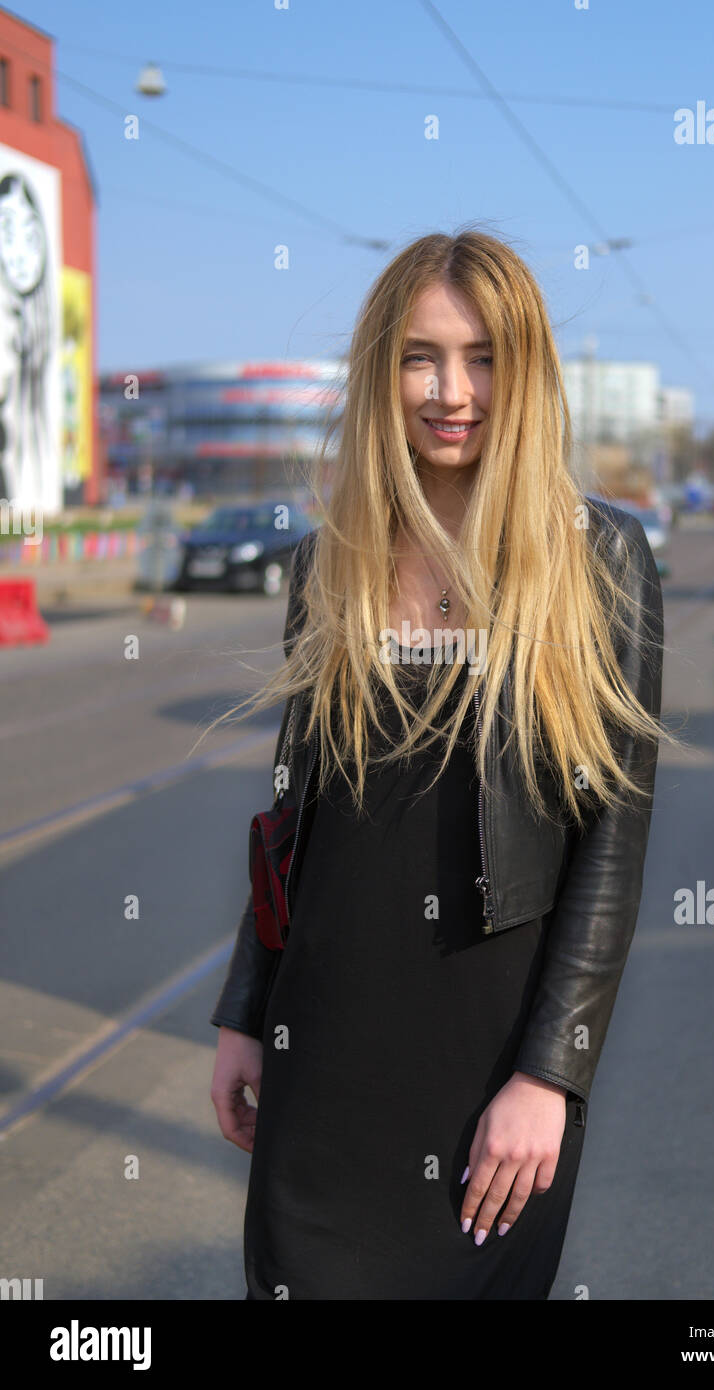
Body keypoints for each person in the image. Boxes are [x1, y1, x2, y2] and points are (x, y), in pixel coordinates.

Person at [207, 228, 669, 1300]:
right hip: (323, 1035)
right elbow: (294, 814)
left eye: (482, 357)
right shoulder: (334, 558)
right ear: (381, 372)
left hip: (489, 1055)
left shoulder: (597, 557)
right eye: (419, 356)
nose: (449, 390)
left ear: (527, 371)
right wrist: (245, 1007)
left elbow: (612, 840)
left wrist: (550, 1071)